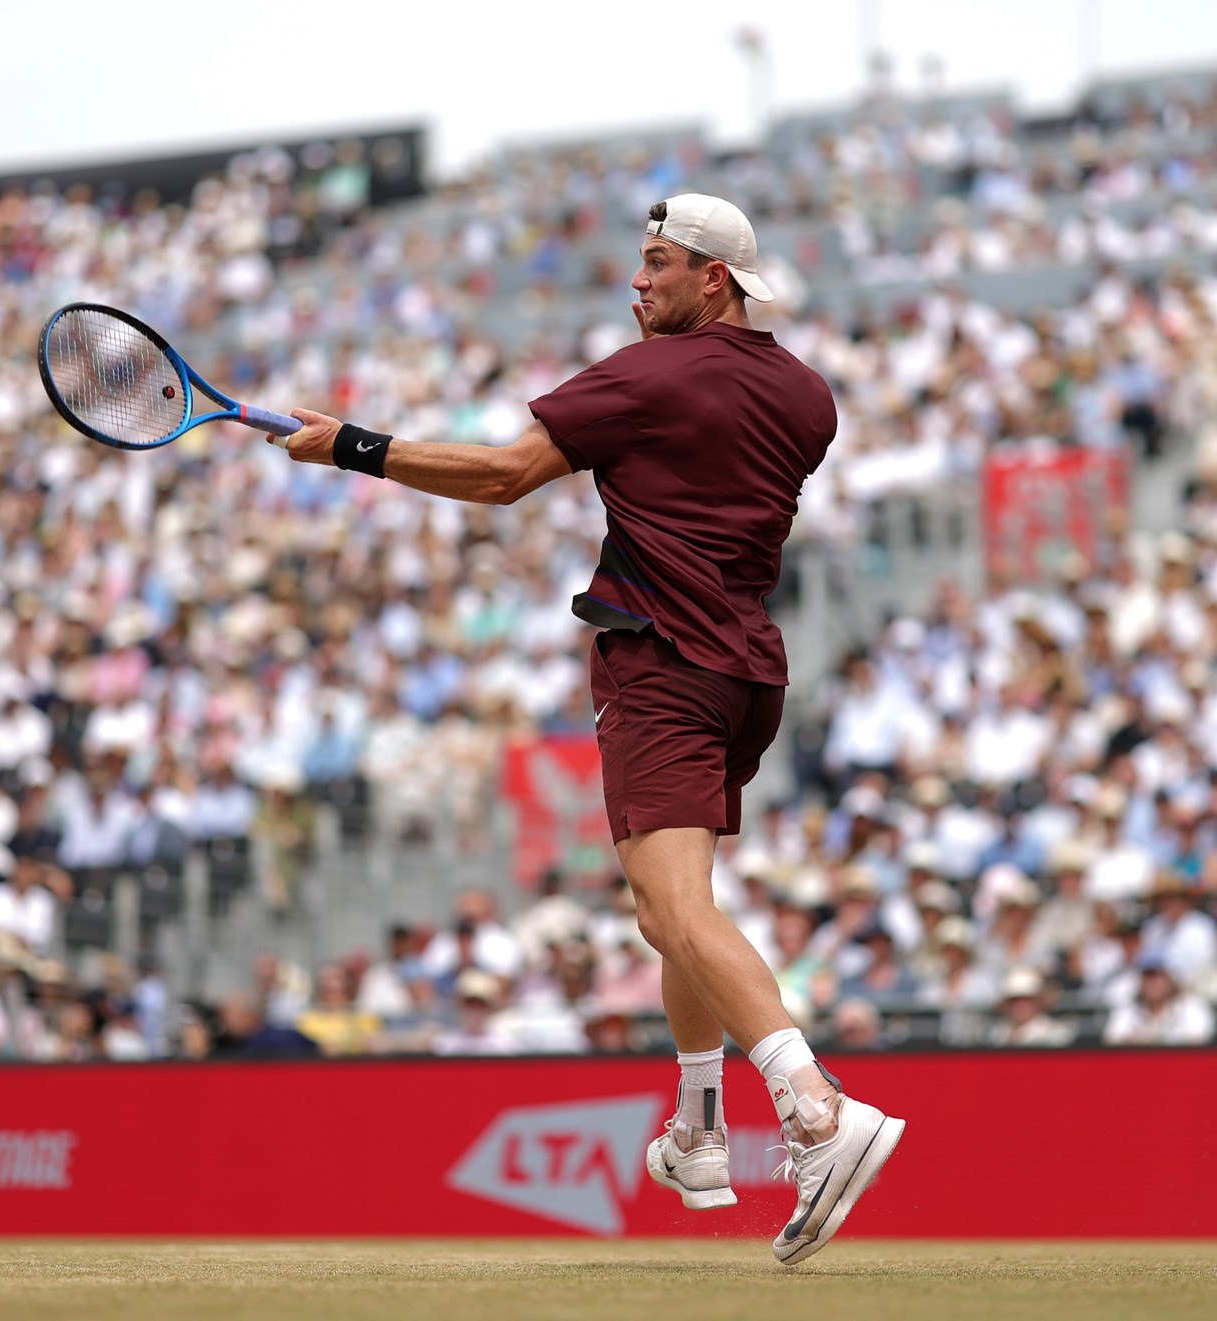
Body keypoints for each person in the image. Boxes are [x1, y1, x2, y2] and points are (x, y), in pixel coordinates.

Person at [271, 193, 901, 1264]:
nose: (637, 281)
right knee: (674, 915)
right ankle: (699, 1127)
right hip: (747, 673)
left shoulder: (645, 373)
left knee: (676, 909)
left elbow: (507, 475)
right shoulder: (808, 395)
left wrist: (355, 448)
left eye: (658, 264)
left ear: (716, 278)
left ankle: (816, 1108)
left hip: (659, 664)